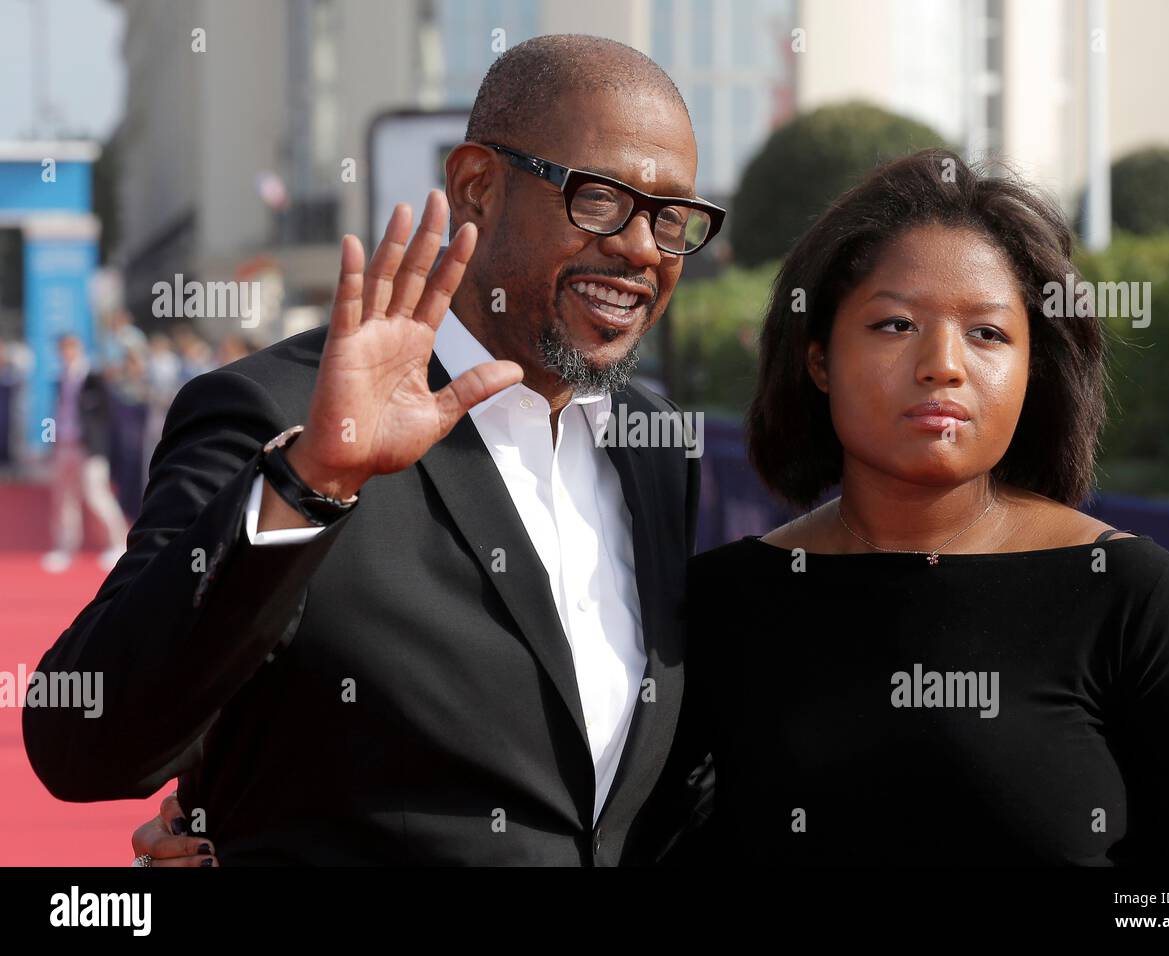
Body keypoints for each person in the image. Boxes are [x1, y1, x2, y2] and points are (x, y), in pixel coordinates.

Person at [25, 35, 721, 866]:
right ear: (476, 187)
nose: (644, 248)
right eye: (600, 200)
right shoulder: (279, 413)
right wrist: (310, 482)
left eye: (673, 217)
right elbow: (85, 742)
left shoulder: (654, 447)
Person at [676, 149, 1169, 865]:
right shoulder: (721, 604)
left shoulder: (1130, 599)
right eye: (895, 324)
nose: (944, 363)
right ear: (818, 360)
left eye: (987, 333)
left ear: (1034, 370)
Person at [40, 333, 131, 573]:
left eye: (70, 348)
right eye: (63, 349)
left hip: (89, 448)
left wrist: (100, 445)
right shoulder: (59, 379)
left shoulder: (94, 377)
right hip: (64, 446)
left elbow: (107, 415)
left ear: (79, 348)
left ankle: (119, 543)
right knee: (64, 498)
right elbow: (54, 415)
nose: (66, 353)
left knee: (96, 495)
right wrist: (50, 442)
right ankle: (64, 548)